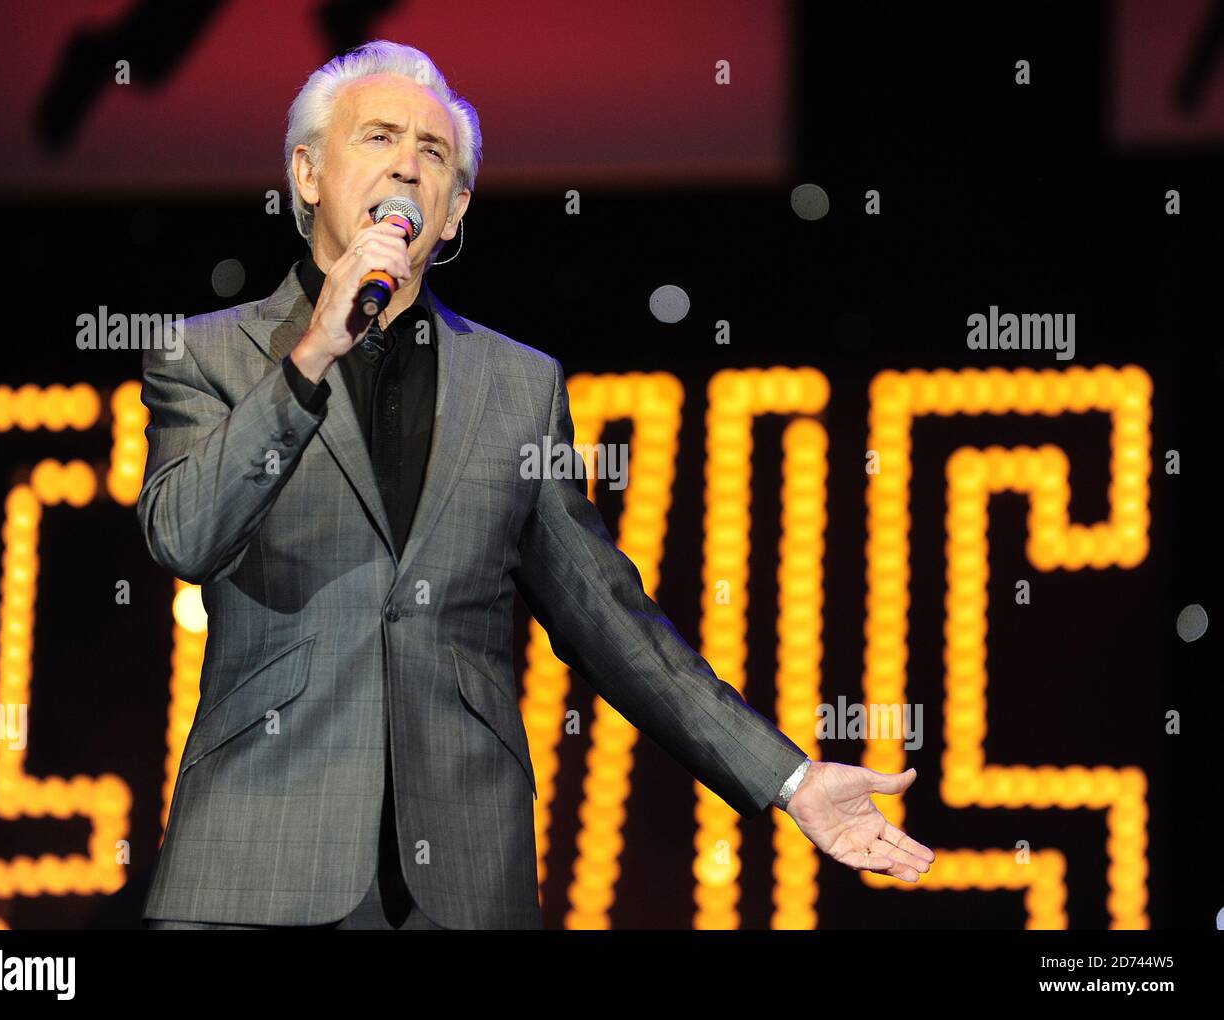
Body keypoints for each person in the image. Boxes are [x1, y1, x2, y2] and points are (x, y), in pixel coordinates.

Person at [137, 39, 934, 930]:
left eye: (433, 154)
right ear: (308, 174)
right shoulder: (207, 353)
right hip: (255, 867)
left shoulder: (517, 386)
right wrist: (312, 353)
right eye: (379, 138)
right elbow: (184, 534)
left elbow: (609, 620)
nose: (408, 162)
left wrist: (790, 778)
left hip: (464, 884)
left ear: (454, 210)